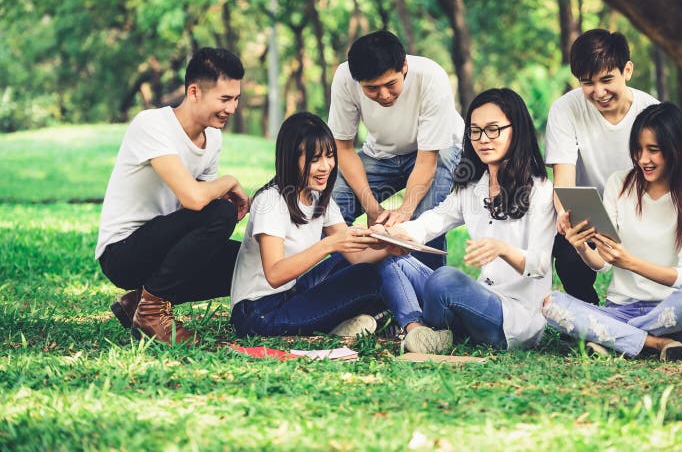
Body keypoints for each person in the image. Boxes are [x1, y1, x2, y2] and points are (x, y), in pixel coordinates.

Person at [379, 88, 556, 351]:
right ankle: (418, 330)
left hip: (514, 319)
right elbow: (433, 221)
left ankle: (434, 331)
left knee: (445, 279)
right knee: (389, 257)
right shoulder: (473, 188)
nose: (483, 139)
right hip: (478, 301)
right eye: (475, 131)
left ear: (516, 131)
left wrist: (503, 250)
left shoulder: (540, 190)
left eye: (493, 129)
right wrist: (390, 233)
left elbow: (541, 265)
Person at [542, 102, 682, 361]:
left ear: (676, 150)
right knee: (552, 305)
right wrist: (581, 246)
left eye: (653, 150)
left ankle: (616, 339)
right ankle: (656, 343)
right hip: (621, 308)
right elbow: (602, 264)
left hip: (671, 310)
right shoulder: (619, 183)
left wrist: (630, 262)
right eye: (638, 149)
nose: (642, 159)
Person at [96, 47, 249, 345]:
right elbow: (194, 199)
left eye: (236, 99)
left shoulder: (212, 138)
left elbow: (191, 212)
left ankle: (138, 302)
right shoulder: (152, 124)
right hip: (123, 252)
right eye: (225, 99)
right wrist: (228, 182)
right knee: (222, 213)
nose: (232, 108)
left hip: (161, 244)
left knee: (246, 261)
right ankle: (152, 312)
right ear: (194, 92)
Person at [230, 112, 400, 339]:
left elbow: (356, 256)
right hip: (257, 313)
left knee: (359, 267)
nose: (326, 166)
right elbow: (274, 274)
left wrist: (390, 245)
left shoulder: (318, 198)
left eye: (330, 156)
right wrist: (329, 244)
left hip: (290, 293)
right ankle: (345, 321)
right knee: (367, 282)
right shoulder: (271, 201)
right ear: (291, 159)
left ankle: (345, 321)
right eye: (314, 159)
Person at [328, 30, 464, 270]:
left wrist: (404, 211)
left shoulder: (431, 77)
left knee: (423, 221)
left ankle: (424, 294)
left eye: (391, 84)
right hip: (381, 153)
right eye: (371, 89)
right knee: (331, 206)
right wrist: (372, 206)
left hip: (438, 151)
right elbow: (343, 149)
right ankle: (349, 288)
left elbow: (427, 160)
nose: (384, 95)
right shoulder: (344, 77)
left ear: (404, 66)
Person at [545, 28, 659, 305]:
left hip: (637, 207)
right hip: (587, 210)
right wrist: (567, 223)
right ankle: (585, 307)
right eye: (587, 83)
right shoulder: (565, 109)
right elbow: (564, 183)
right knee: (568, 246)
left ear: (627, 70)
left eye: (607, 79)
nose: (599, 92)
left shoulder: (651, 111)